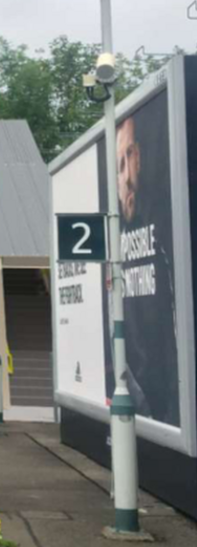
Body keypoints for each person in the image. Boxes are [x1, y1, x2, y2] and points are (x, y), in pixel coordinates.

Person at [114, 101, 179, 427]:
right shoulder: (115, 237)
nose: (125, 177)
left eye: (129, 156)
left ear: (139, 156)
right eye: (118, 165)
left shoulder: (166, 222)